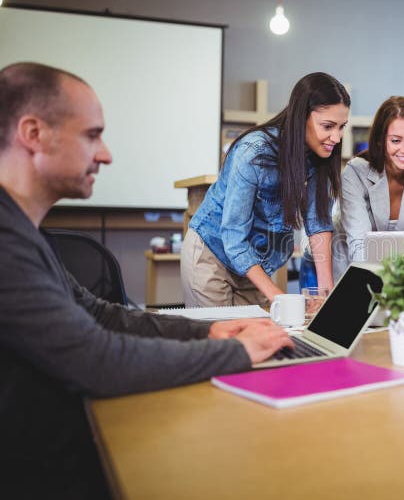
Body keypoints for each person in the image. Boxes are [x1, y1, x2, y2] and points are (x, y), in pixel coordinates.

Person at [0, 62, 293, 499]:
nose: (105, 154)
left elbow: (98, 314)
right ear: (33, 133)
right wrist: (234, 352)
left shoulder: (24, 232)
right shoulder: (6, 242)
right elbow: (97, 360)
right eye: (91, 135)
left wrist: (208, 330)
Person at [182, 72, 349, 307]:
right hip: (212, 254)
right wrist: (277, 296)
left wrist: (326, 293)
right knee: (221, 340)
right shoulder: (253, 152)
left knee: (256, 340)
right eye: (328, 126)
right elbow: (233, 237)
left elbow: (318, 223)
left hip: (254, 265)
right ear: (301, 118)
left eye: (342, 127)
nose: (336, 137)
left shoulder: (322, 155)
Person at [333, 96, 404, 280]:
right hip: (348, 259)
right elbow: (360, 245)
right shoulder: (355, 173)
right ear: (379, 140)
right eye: (396, 140)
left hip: (396, 266)